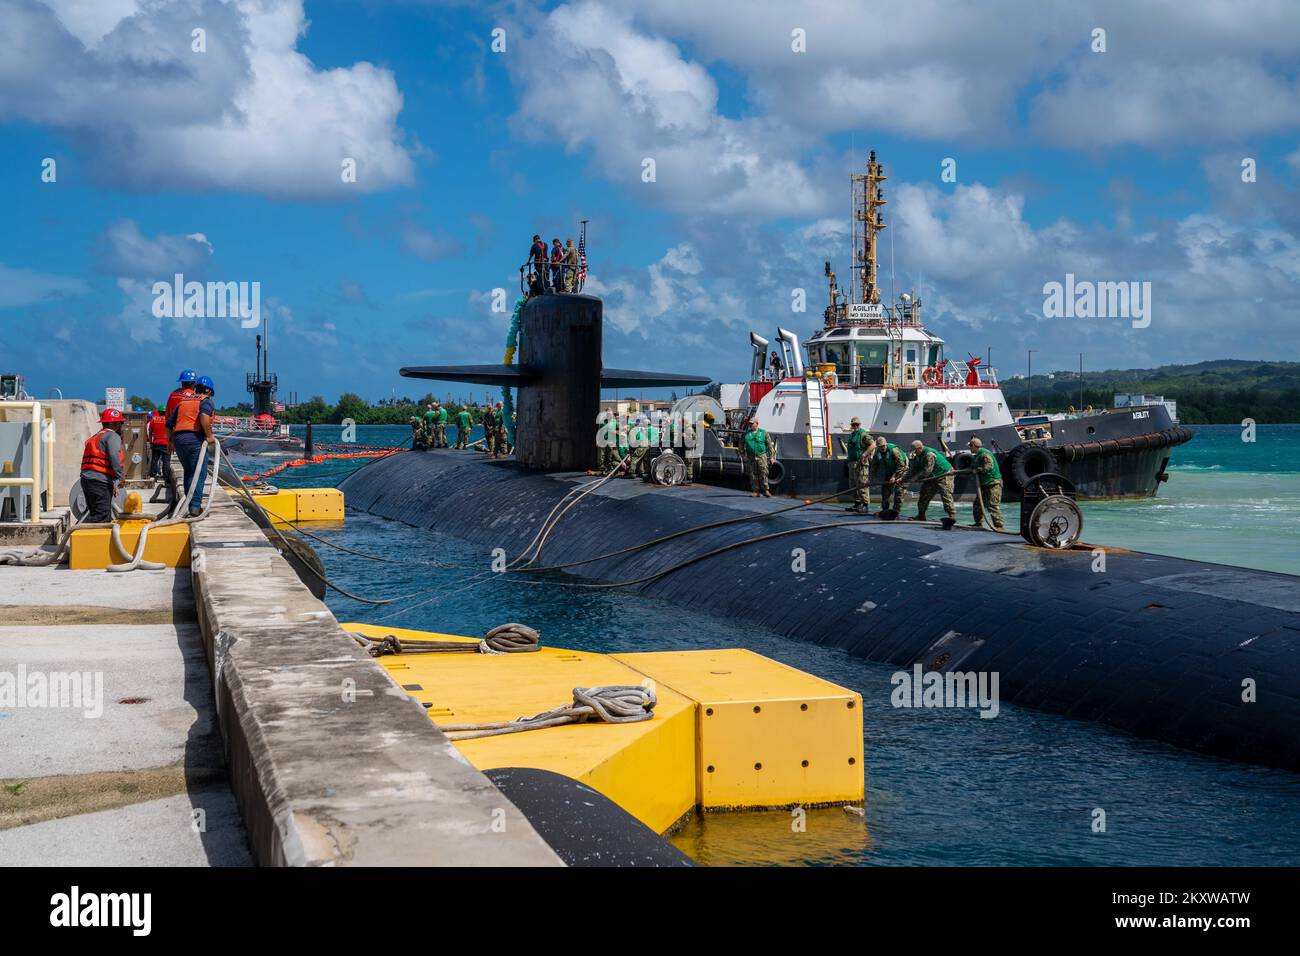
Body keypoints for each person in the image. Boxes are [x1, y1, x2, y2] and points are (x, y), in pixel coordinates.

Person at [167, 374, 216, 517]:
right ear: (208, 391)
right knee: (199, 474)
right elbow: (204, 416)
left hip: (179, 441)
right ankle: (195, 507)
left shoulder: (183, 402)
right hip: (194, 440)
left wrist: (170, 441)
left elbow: (169, 424)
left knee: (188, 473)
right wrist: (209, 436)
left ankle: (190, 504)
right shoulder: (205, 401)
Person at [80, 408, 126, 522]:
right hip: (99, 482)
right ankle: (80, 531)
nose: (121, 426)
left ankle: (85, 530)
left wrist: (112, 483)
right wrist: (121, 477)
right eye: (120, 423)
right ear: (115, 424)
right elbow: (114, 456)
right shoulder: (112, 436)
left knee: (96, 513)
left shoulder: (96, 437)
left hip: (87, 480)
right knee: (102, 517)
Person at [904, 439, 955, 522]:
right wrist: (902, 479)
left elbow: (927, 471)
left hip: (944, 474)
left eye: (915, 451)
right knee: (924, 493)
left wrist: (915, 478)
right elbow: (913, 470)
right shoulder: (918, 456)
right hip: (932, 477)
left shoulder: (929, 454)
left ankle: (951, 517)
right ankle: (921, 516)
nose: (914, 453)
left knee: (946, 495)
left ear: (920, 448)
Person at [969, 437, 1004, 530]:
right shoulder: (977, 455)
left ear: (974, 446)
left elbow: (989, 466)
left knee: (992, 505)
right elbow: (972, 468)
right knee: (977, 504)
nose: (969, 448)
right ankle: (978, 523)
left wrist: (979, 470)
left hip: (993, 483)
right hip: (984, 484)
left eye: (970, 446)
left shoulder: (984, 454)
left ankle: (999, 526)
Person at [844, 416, 873, 513]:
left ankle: (865, 505)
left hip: (860, 463)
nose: (855, 426)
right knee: (852, 485)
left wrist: (864, 455)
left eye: (857, 424)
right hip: (852, 463)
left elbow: (873, 444)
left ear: (859, 425)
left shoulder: (863, 434)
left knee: (862, 484)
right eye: (853, 424)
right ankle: (857, 503)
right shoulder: (852, 435)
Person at [872, 436, 907, 514]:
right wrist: (870, 479)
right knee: (885, 490)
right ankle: (885, 510)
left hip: (902, 471)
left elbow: (901, 466)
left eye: (883, 446)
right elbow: (874, 467)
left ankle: (896, 511)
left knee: (899, 490)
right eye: (880, 446)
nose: (882, 448)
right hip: (890, 471)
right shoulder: (877, 452)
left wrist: (894, 477)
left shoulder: (894, 450)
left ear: (886, 444)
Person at [742, 417, 774, 497]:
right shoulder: (746, 434)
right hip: (751, 457)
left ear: (757, 424)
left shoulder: (764, 433)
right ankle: (755, 491)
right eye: (750, 423)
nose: (751, 425)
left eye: (752, 423)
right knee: (752, 474)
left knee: (764, 472)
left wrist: (772, 457)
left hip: (761, 456)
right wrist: (743, 455)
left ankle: (766, 490)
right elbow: (741, 444)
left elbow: (770, 445)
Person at [147, 407, 169, 479]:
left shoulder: (153, 420)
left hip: (156, 443)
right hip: (166, 443)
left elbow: (150, 432)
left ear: (159, 412)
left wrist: (151, 442)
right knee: (166, 461)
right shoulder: (168, 420)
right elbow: (172, 431)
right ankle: (166, 477)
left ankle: (152, 475)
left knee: (154, 460)